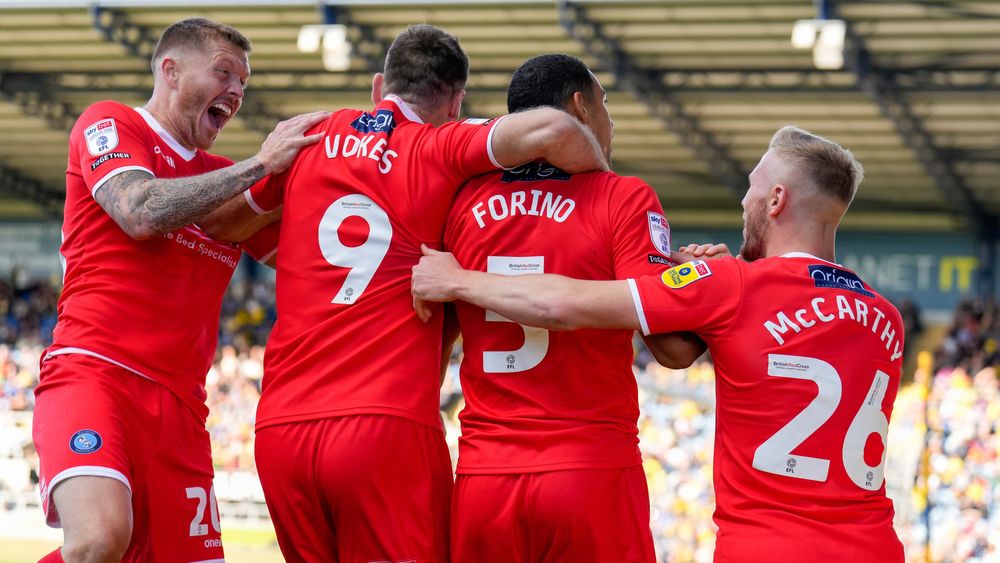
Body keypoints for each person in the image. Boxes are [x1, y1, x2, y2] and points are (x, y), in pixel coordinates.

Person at [413, 125, 906, 562]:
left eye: (751, 189)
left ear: (776, 200)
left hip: (766, 545)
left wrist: (459, 282)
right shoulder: (887, 318)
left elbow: (562, 304)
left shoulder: (731, 284)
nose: (743, 202)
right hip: (876, 545)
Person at [226, 25, 608, 563]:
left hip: (281, 428)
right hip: (384, 425)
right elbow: (553, 128)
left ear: (380, 86)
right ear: (454, 102)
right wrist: (605, 190)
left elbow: (229, 222)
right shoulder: (439, 144)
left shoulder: (310, 139)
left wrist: (265, 171)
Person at [32, 17, 327, 563]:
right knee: (98, 541)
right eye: (223, 73)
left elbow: (313, 261)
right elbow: (139, 211)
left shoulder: (224, 181)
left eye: (243, 82)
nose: (236, 91)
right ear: (170, 70)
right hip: (97, 374)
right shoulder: (113, 123)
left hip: (182, 409)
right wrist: (261, 166)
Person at [439, 53, 702, 562]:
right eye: (605, 105)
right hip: (589, 472)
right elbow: (672, 348)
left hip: (484, 479)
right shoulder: (622, 197)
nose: (611, 121)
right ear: (580, 107)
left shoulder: (462, 201)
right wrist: (700, 281)